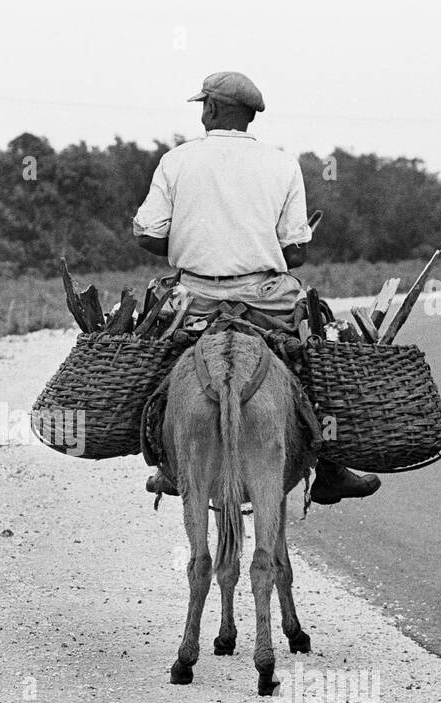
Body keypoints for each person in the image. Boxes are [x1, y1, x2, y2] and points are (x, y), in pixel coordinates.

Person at [133, 70, 381, 505]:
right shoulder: (283, 164)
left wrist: (193, 242)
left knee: (154, 357)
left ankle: (166, 462)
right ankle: (329, 466)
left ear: (209, 109)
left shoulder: (176, 161)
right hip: (267, 298)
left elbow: (146, 235)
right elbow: (296, 253)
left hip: (193, 299)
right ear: (250, 117)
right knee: (315, 355)